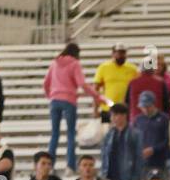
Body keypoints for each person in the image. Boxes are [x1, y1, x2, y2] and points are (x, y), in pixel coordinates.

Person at [44, 42, 102, 172]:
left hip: (54, 101)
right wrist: (96, 95)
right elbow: (82, 83)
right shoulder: (75, 64)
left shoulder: (54, 63)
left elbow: (46, 82)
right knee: (70, 134)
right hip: (69, 101)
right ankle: (70, 166)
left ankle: (49, 166)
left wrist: (50, 96)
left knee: (54, 134)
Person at [96, 42, 139, 112]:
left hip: (126, 107)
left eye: (123, 53)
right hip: (108, 107)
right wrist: (95, 109)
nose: (121, 55)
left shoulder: (133, 69)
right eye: (119, 53)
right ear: (113, 54)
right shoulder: (103, 67)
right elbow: (96, 89)